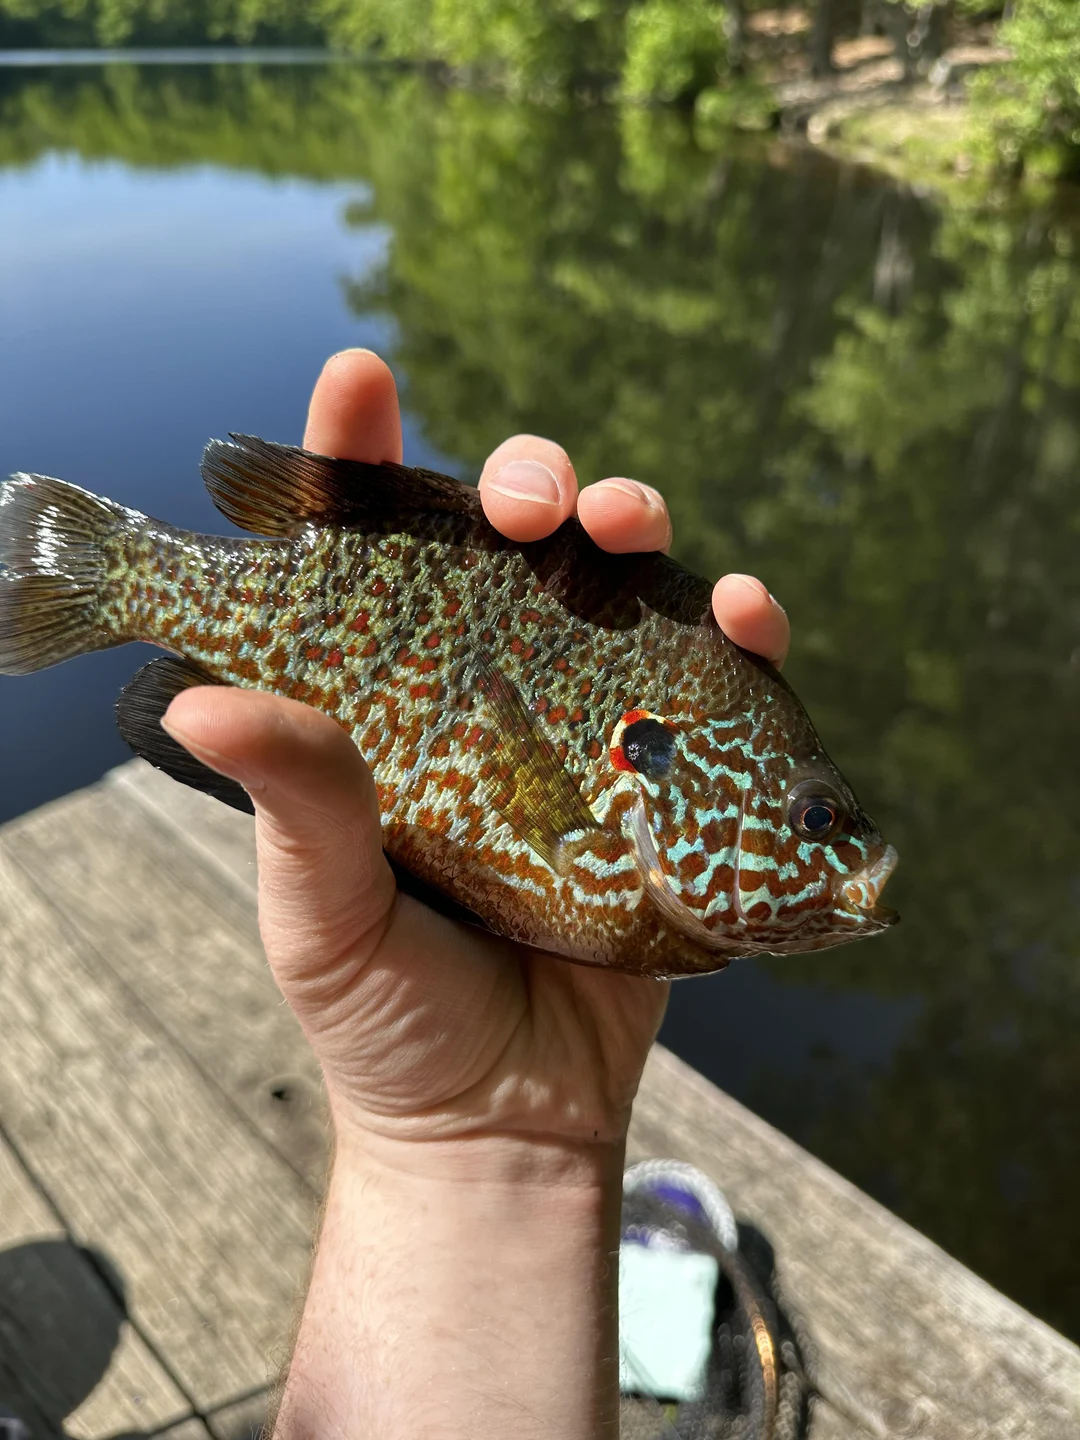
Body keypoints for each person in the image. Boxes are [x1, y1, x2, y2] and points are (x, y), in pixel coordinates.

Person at [161, 349, 791, 1439]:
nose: (836, 858)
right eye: (816, 823)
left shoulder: (632, 904)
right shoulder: (627, 868)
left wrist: (492, 1153)